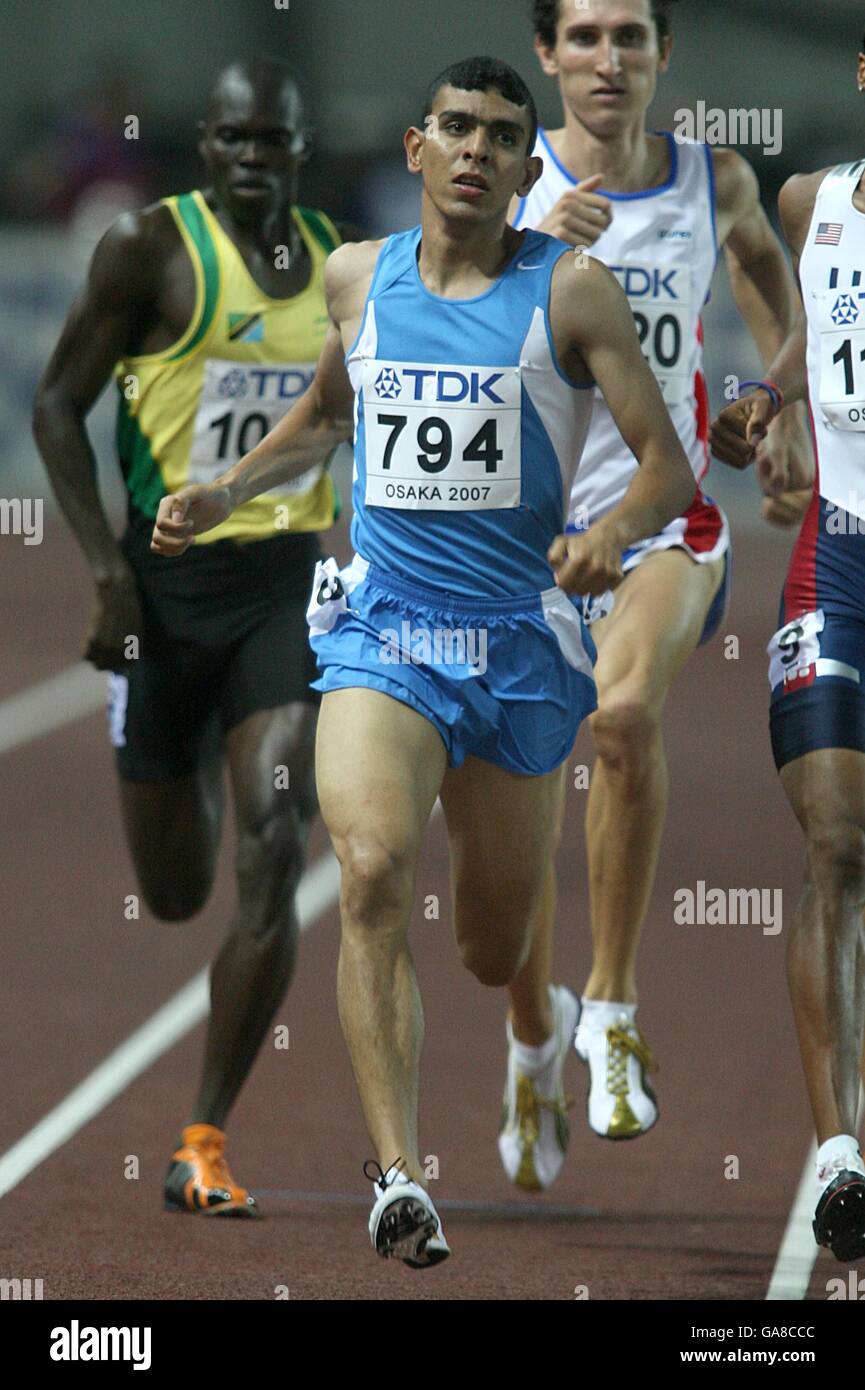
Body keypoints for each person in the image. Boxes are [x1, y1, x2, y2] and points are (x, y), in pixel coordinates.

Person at [151, 55, 695, 1266]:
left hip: (515, 647)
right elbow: (330, 418)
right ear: (415, 148)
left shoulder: (575, 294)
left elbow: (666, 463)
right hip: (385, 631)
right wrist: (225, 486)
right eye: (456, 127)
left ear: (520, 167)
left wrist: (606, 535)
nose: (477, 150)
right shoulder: (360, 278)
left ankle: (532, 1017)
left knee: (490, 944)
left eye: (504, 136)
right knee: (374, 868)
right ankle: (399, 1172)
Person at [496, 0, 813, 1193]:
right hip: (514, 548)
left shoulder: (711, 177)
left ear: (663, 54)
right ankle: (534, 1031)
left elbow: (781, 307)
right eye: (584, 37)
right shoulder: (497, 178)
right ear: (547, 54)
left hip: (664, 520)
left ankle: (612, 1010)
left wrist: (765, 411)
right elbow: (421, 315)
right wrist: (528, 232)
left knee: (624, 721)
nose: (609, 58)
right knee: (506, 853)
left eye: (632, 35)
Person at [33, 56, 356, 1218]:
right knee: (174, 889)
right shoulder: (148, 250)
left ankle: (204, 1138)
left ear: (301, 150)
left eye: (273, 143)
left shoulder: (342, 264)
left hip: (282, 587)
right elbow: (56, 404)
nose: (253, 162)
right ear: (204, 148)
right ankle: (197, 753)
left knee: (275, 840)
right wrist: (109, 575)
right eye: (233, 142)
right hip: (161, 601)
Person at [709, 43, 865, 1264]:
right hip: (841, 557)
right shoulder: (813, 201)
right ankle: (837, 1151)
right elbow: (818, 330)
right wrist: (766, 401)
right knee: (833, 839)